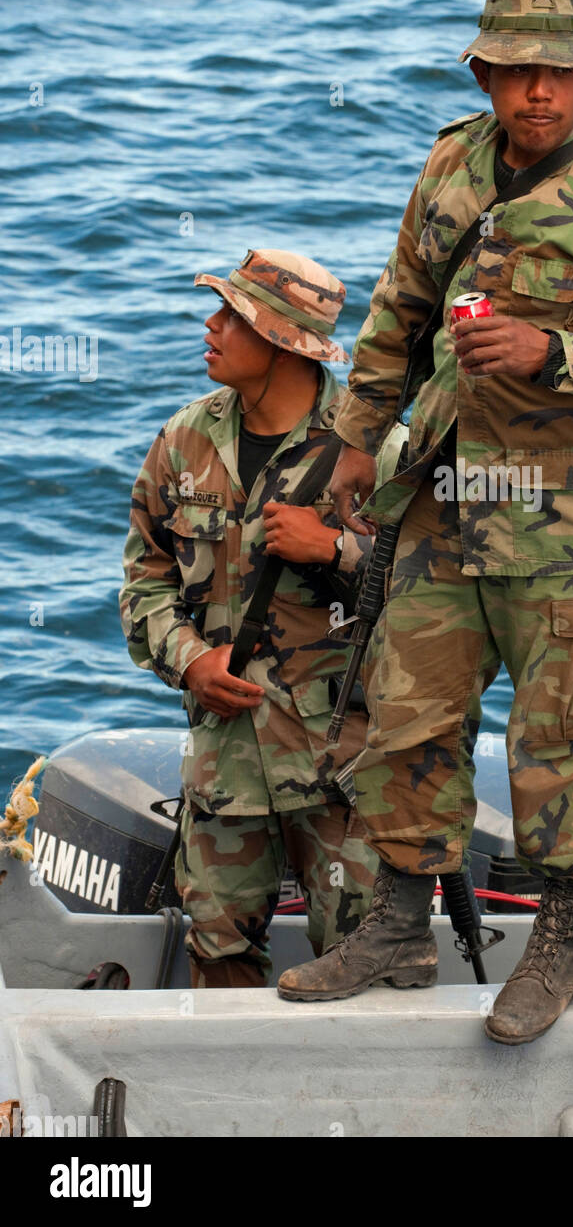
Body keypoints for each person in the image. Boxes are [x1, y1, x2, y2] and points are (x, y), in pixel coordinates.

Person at [277, 0, 573, 1042]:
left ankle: (559, 938)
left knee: (558, 743)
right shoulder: (452, 164)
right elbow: (399, 310)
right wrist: (351, 441)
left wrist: (552, 351)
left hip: (570, 532)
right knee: (407, 715)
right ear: (482, 70)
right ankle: (397, 922)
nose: (537, 93)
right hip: (444, 502)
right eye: (517, 70)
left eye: (559, 74)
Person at [120, 248, 378, 988]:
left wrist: (335, 548)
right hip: (226, 764)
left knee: (362, 967)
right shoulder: (183, 442)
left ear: (282, 341)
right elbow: (145, 580)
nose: (211, 325)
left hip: (342, 772)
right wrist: (188, 658)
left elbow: (439, 600)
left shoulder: (369, 451)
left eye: (232, 316)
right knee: (218, 963)